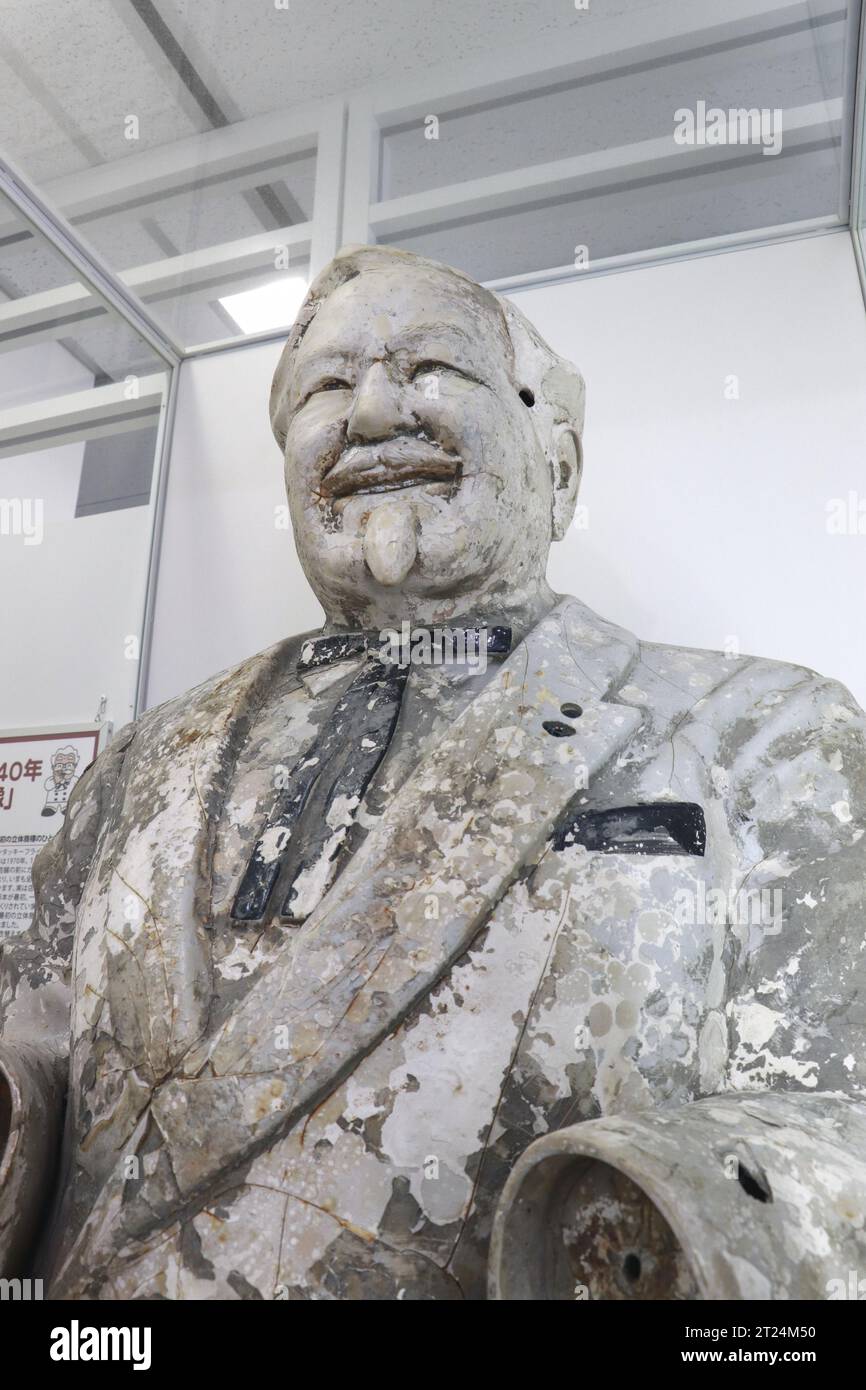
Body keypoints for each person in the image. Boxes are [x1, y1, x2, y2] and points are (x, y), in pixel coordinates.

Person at [1, 245, 864, 1300]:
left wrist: (646, 1225)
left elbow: (842, 1107)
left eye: (430, 371)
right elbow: (32, 1024)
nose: (368, 412)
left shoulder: (758, 735)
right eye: (326, 384)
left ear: (558, 466)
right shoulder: (144, 758)